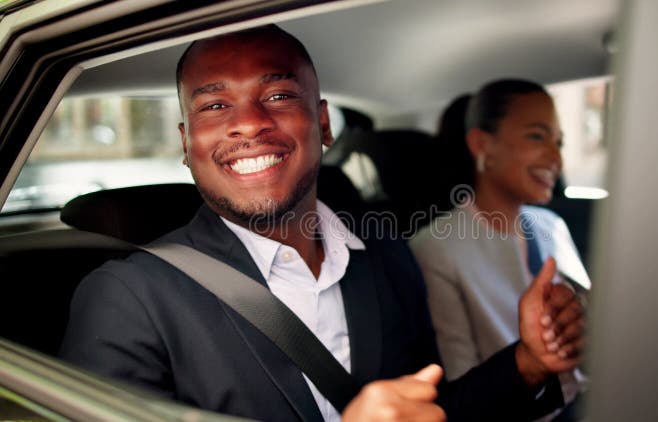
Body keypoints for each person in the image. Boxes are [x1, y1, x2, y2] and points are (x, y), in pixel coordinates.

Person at [59, 26, 585, 422]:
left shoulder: (384, 257)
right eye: (215, 104)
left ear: (325, 123)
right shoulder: (127, 298)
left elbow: (429, 408)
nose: (247, 121)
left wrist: (529, 361)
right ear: (185, 144)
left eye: (280, 96)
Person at [410, 80, 591, 419]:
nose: (556, 157)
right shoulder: (436, 248)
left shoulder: (551, 226)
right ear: (482, 145)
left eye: (559, 142)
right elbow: (463, 391)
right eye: (537, 136)